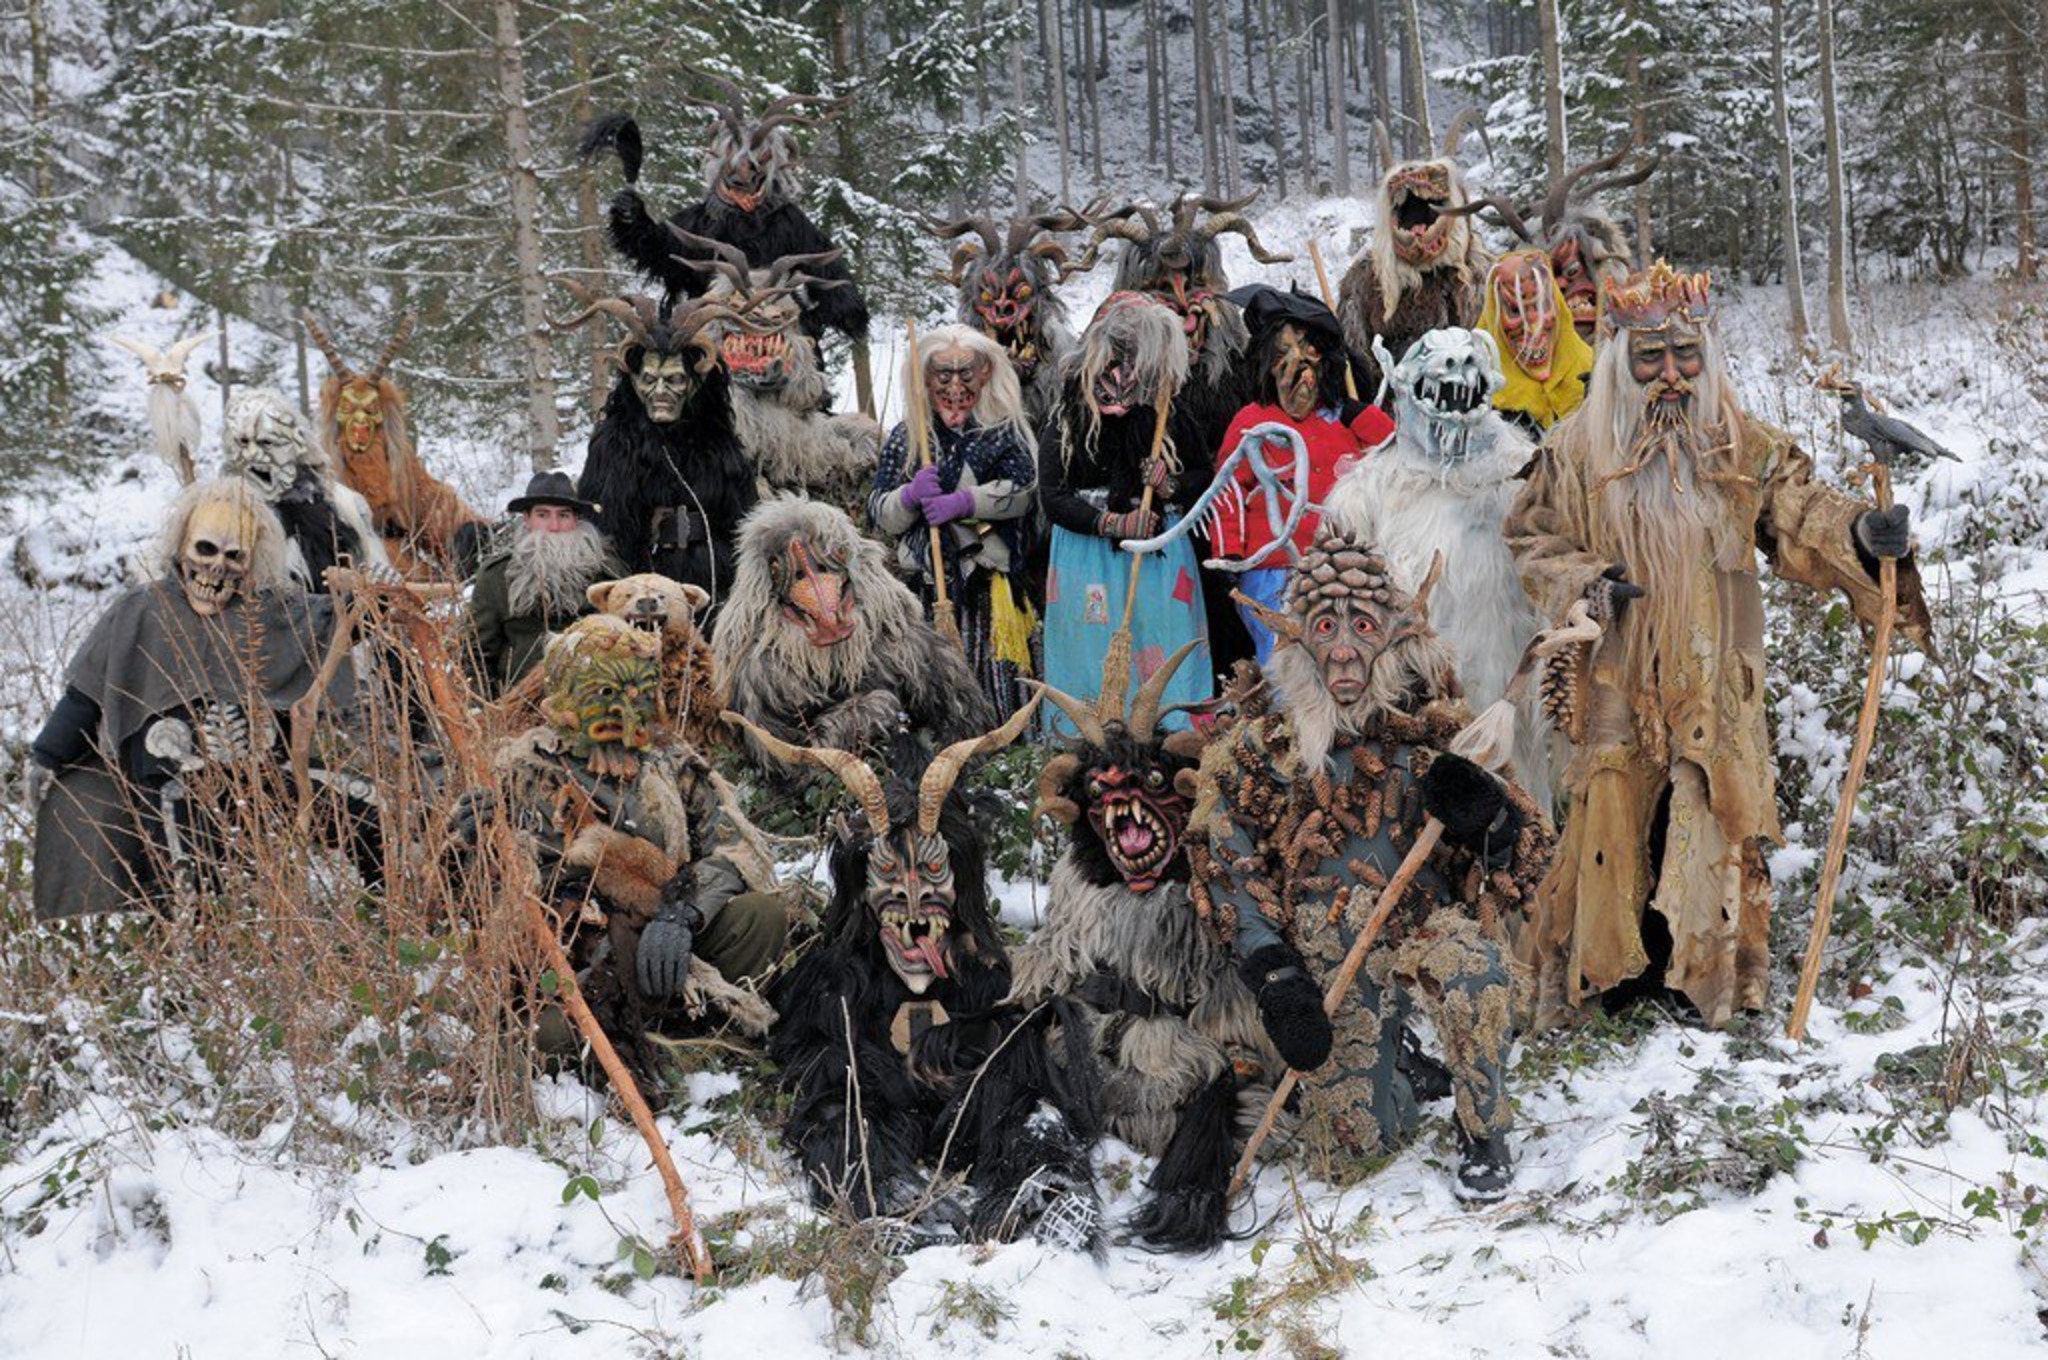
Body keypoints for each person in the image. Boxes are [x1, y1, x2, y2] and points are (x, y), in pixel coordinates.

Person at [1506, 261, 1930, 1028]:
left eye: (1685, 355)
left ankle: (1697, 971)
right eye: (1650, 358)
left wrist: (1862, 536)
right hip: (1617, 671)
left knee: (1709, 805)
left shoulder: (1741, 446)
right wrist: (1587, 579)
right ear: (1619, 362)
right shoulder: (1573, 454)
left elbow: (1799, 513)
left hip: (1715, 671)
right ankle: (1612, 972)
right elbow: (1533, 537)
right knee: (1612, 805)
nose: (1671, 374)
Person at [1193, 531, 1551, 1202]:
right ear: (1301, 641)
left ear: (1389, 638)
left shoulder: (1430, 734)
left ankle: (1485, 1126)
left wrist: (1490, 820)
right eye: (1327, 627)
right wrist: (1274, 972)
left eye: (1362, 626)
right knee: (1350, 1155)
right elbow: (1225, 866)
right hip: (1329, 960)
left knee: (1476, 973)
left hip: (1421, 924)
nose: (1345, 649)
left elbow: (1523, 850)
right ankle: (1400, 1072)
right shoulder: (1262, 751)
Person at [26, 478, 353, 919]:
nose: (217, 568)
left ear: (252, 560)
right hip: (166, 789)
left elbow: (341, 621)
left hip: (262, 785)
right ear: (181, 546)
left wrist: (373, 595)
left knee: (356, 807)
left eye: (234, 556)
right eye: (205, 550)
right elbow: (86, 695)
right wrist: (47, 755)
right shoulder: (140, 611)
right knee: (182, 870)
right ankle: (186, 946)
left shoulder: (272, 612)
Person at [1212, 284, 1393, 661]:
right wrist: (1229, 551)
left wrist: (1362, 416)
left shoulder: (1344, 418)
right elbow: (1228, 487)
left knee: (1344, 656)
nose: (1298, 364)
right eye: (1284, 352)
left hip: (1344, 566)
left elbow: (1393, 454)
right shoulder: (1253, 422)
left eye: (1310, 350)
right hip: (1273, 567)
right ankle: (1286, 716)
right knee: (1284, 656)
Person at [869, 324, 1039, 719]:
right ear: (924, 380)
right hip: (926, 585)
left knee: (996, 671)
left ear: (986, 374)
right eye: (943, 375)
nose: (955, 386)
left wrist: (965, 502)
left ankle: (1002, 739)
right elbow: (879, 510)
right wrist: (909, 496)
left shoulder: (1004, 431)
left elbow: (1025, 493)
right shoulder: (907, 437)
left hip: (988, 581)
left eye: (967, 373)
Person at [466, 471, 618, 697]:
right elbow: (475, 657)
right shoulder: (497, 577)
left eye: (564, 515)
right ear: (527, 520)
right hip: (520, 707)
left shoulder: (608, 575)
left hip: (595, 705)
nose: (554, 526)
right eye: (543, 515)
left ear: (576, 519)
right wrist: (488, 714)